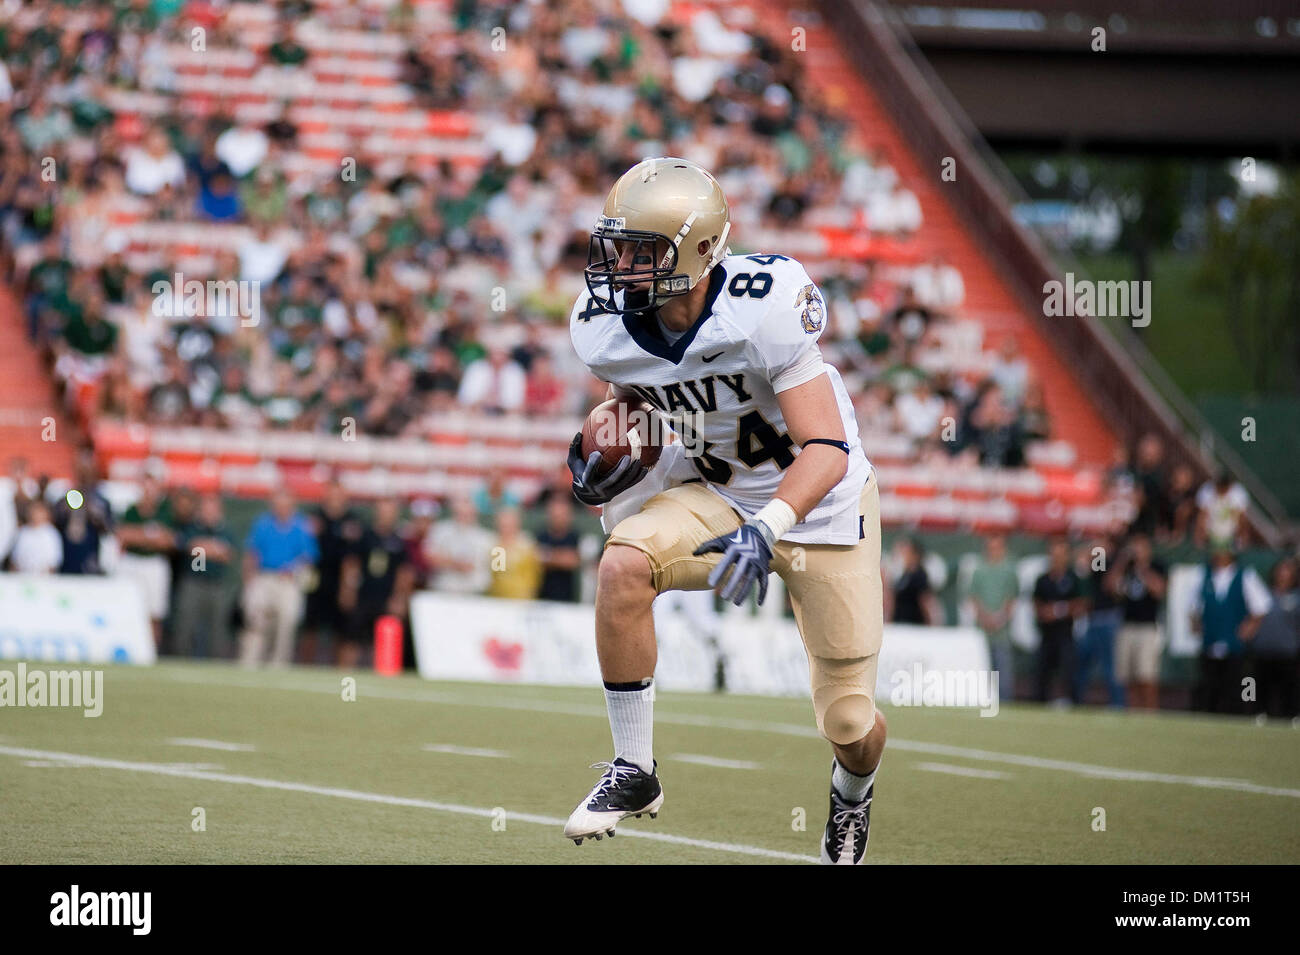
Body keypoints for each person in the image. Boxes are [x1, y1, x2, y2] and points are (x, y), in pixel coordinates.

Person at [562, 158, 885, 864]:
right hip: (716, 491)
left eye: (641, 251)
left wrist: (767, 528)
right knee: (622, 565)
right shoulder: (608, 326)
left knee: (850, 719)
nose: (621, 266)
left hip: (818, 506)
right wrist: (604, 446)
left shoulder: (765, 303)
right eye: (617, 248)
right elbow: (638, 401)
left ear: (700, 251)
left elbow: (826, 448)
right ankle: (634, 768)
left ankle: (852, 797)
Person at [240, 490, 318, 667]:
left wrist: (294, 570)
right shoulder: (263, 523)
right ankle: (249, 661)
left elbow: (308, 557)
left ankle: (279, 663)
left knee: (288, 619)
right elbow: (252, 553)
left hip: (289, 581)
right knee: (255, 618)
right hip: (264, 576)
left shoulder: (301, 526)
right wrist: (248, 579)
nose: (281, 509)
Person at [1189, 544, 1271, 713]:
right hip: (1210, 643)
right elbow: (1193, 607)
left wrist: (1248, 629)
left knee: (1238, 690)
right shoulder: (1203, 574)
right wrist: (1197, 626)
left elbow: (1262, 605)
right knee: (1209, 692)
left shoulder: (1245, 575)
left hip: (1236, 648)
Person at [339, 499, 413, 669]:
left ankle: (378, 677)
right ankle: (345, 675)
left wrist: (399, 598)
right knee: (352, 638)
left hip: (385, 598)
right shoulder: (365, 536)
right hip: (363, 595)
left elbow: (404, 573)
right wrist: (347, 590)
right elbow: (351, 563)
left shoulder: (398, 541)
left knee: (381, 641)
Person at [302, 482, 364, 664]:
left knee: (341, 630)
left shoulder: (352, 520)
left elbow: (353, 558)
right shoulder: (315, 517)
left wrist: (349, 587)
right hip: (316, 578)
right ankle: (306, 668)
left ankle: (339, 672)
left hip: (340, 580)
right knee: (310, 627)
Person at [172, 495, 237, 658]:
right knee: (186, 625)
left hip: (216, 584)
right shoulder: (192, 527)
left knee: (217, 629)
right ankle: (181, 659)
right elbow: (191, 546)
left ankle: (216, 663)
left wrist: (203, 547)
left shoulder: (226, 530)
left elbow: (227, 554)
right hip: (194, 582)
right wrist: (213, 548)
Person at [114, 477, 176, 646]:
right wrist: (150, 537)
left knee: (154, 611)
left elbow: (168, 541)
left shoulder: (165, 512)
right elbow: (123, 535)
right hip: (132, 561)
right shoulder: (131, 510)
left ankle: (151, 651)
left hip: (154, 563)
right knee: (126, 608)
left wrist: (138, 536)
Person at [1115, 533, 1168, 709]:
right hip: (1127, 626)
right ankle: (1134, 713)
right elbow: (1110, 586)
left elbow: (1159, 590)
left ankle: (1150, 712)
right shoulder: (1126, 568)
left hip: (1147, 627)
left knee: (1146, 676)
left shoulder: (1157, 566)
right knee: (1128, 677)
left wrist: (1142, 569)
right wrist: (1122, 561)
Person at [1032, 536, 1085, 704]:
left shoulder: (1074, 578)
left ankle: (1073, 704)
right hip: (1046, 635)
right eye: (1054, 553)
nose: (1057, 558)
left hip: (1065, 634)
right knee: (1042, 675)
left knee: (1069, 673)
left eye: (1061, 553)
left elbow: (1082, 605)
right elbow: (1038, 607)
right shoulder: (1043, 579)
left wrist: (1056, 610)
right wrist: (1055, 610)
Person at [967, 534, 1020, 700]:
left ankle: (1004, 701)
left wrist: (999, 618)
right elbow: (974, 597)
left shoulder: (1009, 570)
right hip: (982, 630)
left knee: (1002, 670)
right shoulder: (979, 569)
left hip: (1001, 630)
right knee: (981, 669)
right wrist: (985, 617)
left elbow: (1011, 598)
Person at [1073, 536, 1125, 707]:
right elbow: (1082, 563)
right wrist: (1093, 550)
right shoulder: (1100, 561)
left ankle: (1117, 704)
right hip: (1092, 619)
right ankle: (1077, 700)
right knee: (1081, 663)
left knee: (1111, 666)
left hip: (1109, 618)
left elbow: (1110, 586)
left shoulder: (1117, 561)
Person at [1251, 559, 1299, 719]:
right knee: (1254, 686)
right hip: (1262, 650)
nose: (1283, 575)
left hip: (1288, 652)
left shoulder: (1297, 597)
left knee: (1289, 689)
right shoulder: (1262, 593)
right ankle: (1257, 714)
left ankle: (1292, 716)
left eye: (1287, 571)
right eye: (1280, 570)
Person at [424, 494, 494, 594]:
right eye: (460, 512)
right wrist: (457, 564)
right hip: (443, 590)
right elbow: (429, 556)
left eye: (468, 512)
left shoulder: (486, 538)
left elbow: (499, 567)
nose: (464, 515)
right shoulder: (440, 530)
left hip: (475, 593)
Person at [486, 507, 542, 600]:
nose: (506, 528)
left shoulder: (526, 543)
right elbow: (498, 573)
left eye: (509, 524)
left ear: (517, 524)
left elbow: (535, 573)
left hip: (522, 597)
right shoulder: (496, 545)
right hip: (498, 597)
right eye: (503, 525)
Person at [535, 496, 582, 602]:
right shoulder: (541, 535)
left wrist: (549, 556)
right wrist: (561, 557)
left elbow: (573, 561)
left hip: (567, 598)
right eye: (555, 515)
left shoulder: (574, 536)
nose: (558, 518)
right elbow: (536, 558)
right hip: (542, 597)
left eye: (561, 515)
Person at [889, 537, 941, 625]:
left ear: (915, 555)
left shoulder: (920, 575)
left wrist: (931, 624)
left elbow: (925, 600)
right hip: (900, 623)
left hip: (914, 625)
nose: (903, 556)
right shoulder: (904, 575)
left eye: (906, 552)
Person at [9, 500, 62, 574]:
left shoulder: (51, 533)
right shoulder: (22, 532)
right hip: (22, 577)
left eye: (39, 511)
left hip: (44, 579)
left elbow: (54, 562)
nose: (35, 514)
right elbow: (14, 560)